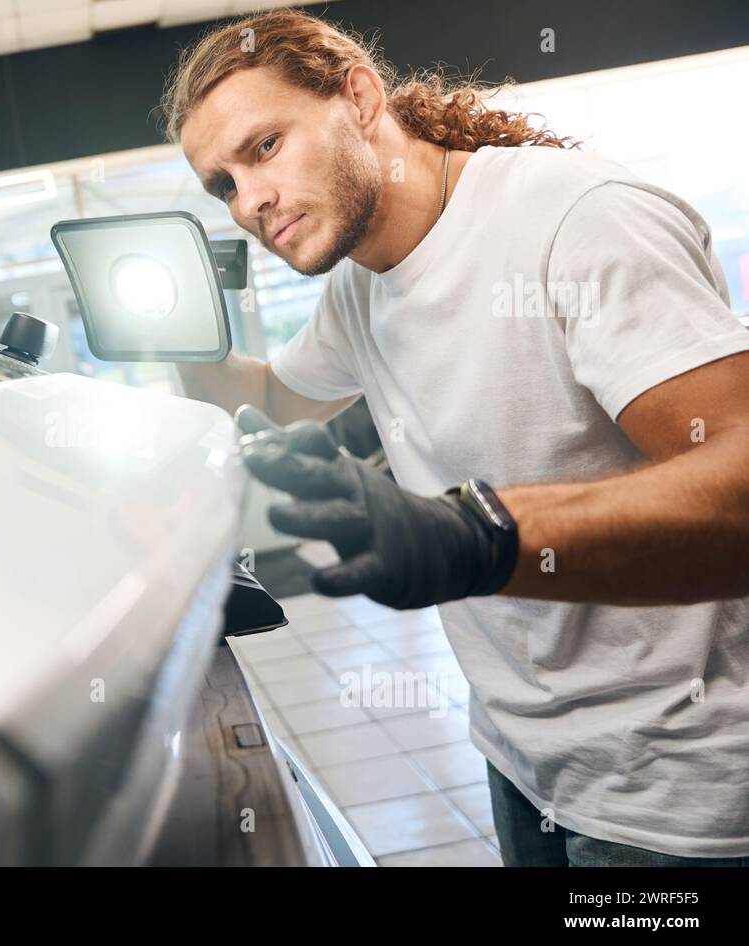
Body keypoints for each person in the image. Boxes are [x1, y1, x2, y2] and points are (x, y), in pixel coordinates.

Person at [161, 8, 749, 865]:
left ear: (359, 97)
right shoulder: (361, 290)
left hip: (677, 791)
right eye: (221, 184)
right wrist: (176, 327)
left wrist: (472, 533)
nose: (250, 202)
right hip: (524, 762)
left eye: (263, 148)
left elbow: (738, 484)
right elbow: (266, 402)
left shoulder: (575, 218)